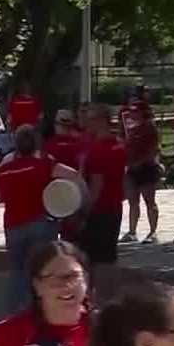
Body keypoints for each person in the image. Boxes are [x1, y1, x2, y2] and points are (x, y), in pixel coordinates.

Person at [0, 125, 84, 312]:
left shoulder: (4, 169)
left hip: (13, 226)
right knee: (43, 270)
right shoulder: (45, 166)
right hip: (40, 222)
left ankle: (16, 313)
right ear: (36, 145)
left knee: (18, 271)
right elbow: (74, 175)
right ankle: (41, 311)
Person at [78, 104, 127, 275]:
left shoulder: (97, 150)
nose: (86, 123)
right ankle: (109, 296)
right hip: (115, 208)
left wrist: (84, 212)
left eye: (90, 119)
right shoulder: (119, 145)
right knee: (109, 258)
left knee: (92, 261)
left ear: (100, 121)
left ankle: (97, 297)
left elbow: (96, 186)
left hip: (99, 211)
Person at [120, 96, 161, 245]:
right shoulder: (130, 127)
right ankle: (132, 231)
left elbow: (154, 149)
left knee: (149, 201)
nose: (132, 114)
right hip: (132, 168)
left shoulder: (150, 127)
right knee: (132, 201)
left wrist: (141, 162)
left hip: (147, 167)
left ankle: (153, 231)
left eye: (135, 111)